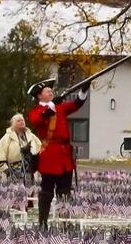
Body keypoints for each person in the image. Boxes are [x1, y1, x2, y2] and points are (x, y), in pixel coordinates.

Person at [27, 78, 88, 228]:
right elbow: (38, 120)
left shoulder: (60, 108)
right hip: (50, 155)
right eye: (48, 91)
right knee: (47, 191)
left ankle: (64, 222)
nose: (51, 92)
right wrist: (53, 105)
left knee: (64, 191)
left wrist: (84, 90)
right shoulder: (36, 111)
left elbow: (76, 104)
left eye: (51, 91)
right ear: (39, 95)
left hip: (65, 156)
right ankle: (43, 223)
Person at [0, 113, 42, 184]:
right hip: (12, 171)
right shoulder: (6, 138)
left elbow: (40, 149)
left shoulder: (32, 136)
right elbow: (1, 156)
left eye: (22, 120)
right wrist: (7, 171)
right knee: (15, 190)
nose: (21, 122)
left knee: (30, 189)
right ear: (13, 124)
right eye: (18, 121)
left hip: (30, 171)